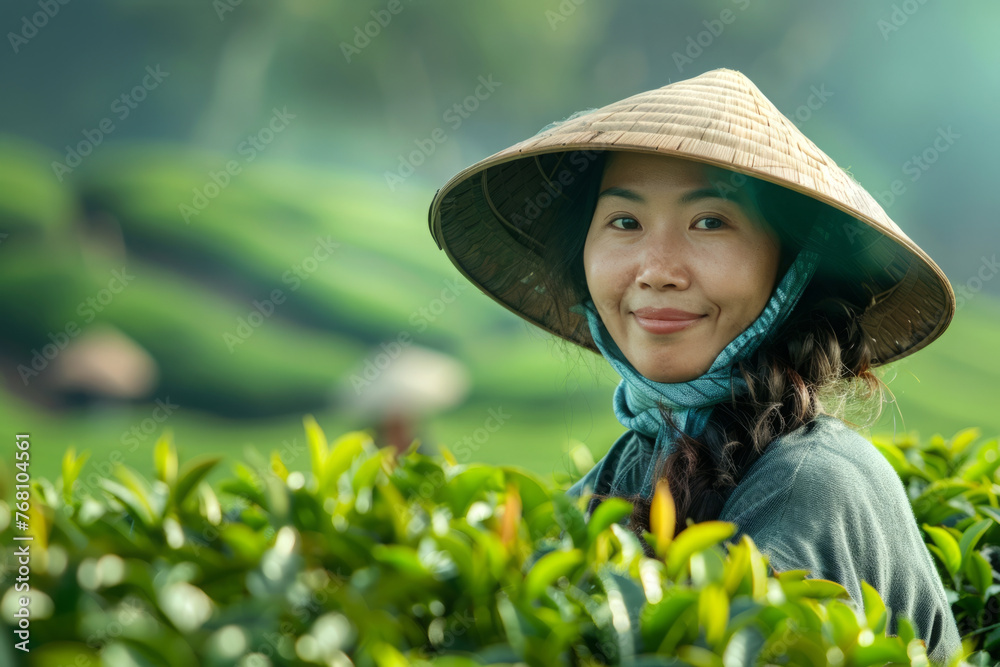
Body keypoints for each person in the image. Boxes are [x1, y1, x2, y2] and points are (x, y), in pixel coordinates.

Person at [426, 68, 963, 665]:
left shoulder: (810, 485)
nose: (657, 270)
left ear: (792, 264)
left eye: (710, 221)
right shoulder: (632, 461)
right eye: (624, 222)